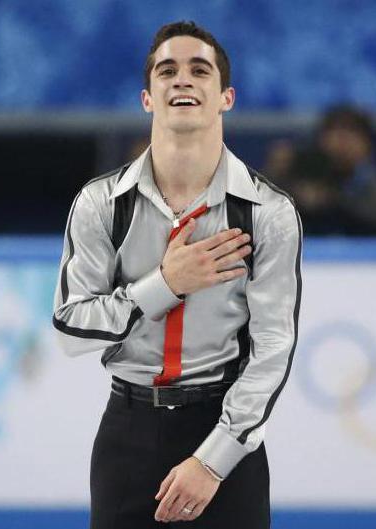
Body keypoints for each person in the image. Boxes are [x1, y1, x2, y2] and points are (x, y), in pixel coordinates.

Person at [52, 21, 302, 529]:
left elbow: (273, 346)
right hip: (127, 433)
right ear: (148, 98)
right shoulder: (101, 204)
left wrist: (213, 460)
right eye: (167, 70)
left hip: (224, 431)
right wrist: (164, 285)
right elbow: (71, 328)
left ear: (225, 96)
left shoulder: (267, 212)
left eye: (198, 70)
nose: (181, 80)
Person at [264, 105, 376, 235]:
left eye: (352, 133)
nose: (342, 142)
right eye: (334, 132)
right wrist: (276, 177)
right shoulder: (301, 175)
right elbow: (261, 217)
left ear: (369, 145)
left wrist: (331, 200)